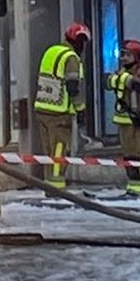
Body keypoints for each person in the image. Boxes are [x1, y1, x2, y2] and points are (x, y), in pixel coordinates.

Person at [33, 23, 91, 190]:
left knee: (49, 153)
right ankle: (57, 187)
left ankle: (50, 185)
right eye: (81, 41)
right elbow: (73, 87)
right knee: (59, 150)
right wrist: (80, 110)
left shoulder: (51, 52)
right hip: (59, 113)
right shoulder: (71, 58)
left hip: (43, 108)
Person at [107, 39, 140, 196]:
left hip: (138, 122)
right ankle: (132, 187)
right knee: (128, 156)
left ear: (137, 56)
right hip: (124, 121)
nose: (122, 58)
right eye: (122, 55)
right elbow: (106, 82)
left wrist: (125, 80)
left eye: (126, 55)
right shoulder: (121, 72)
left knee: (139, 155)